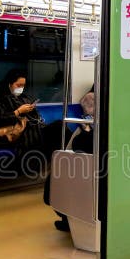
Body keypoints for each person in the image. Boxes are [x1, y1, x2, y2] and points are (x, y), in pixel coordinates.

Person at [45, 89, 95, 232]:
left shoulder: (85, 131)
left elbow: (80, 145)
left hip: (81, 172)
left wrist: (86, 130)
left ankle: (68, 218)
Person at [0, 68, 46, 164]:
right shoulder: (1, 98)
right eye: (18, 85)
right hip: (15, 132)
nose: (21, 88)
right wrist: (18, 111)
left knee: (59, 126)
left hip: (34, 127)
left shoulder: (25, 97)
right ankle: (32, 163)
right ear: (10, 84)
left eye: (23, 85)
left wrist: (31, 109)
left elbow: (35, 116)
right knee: (31, 132)